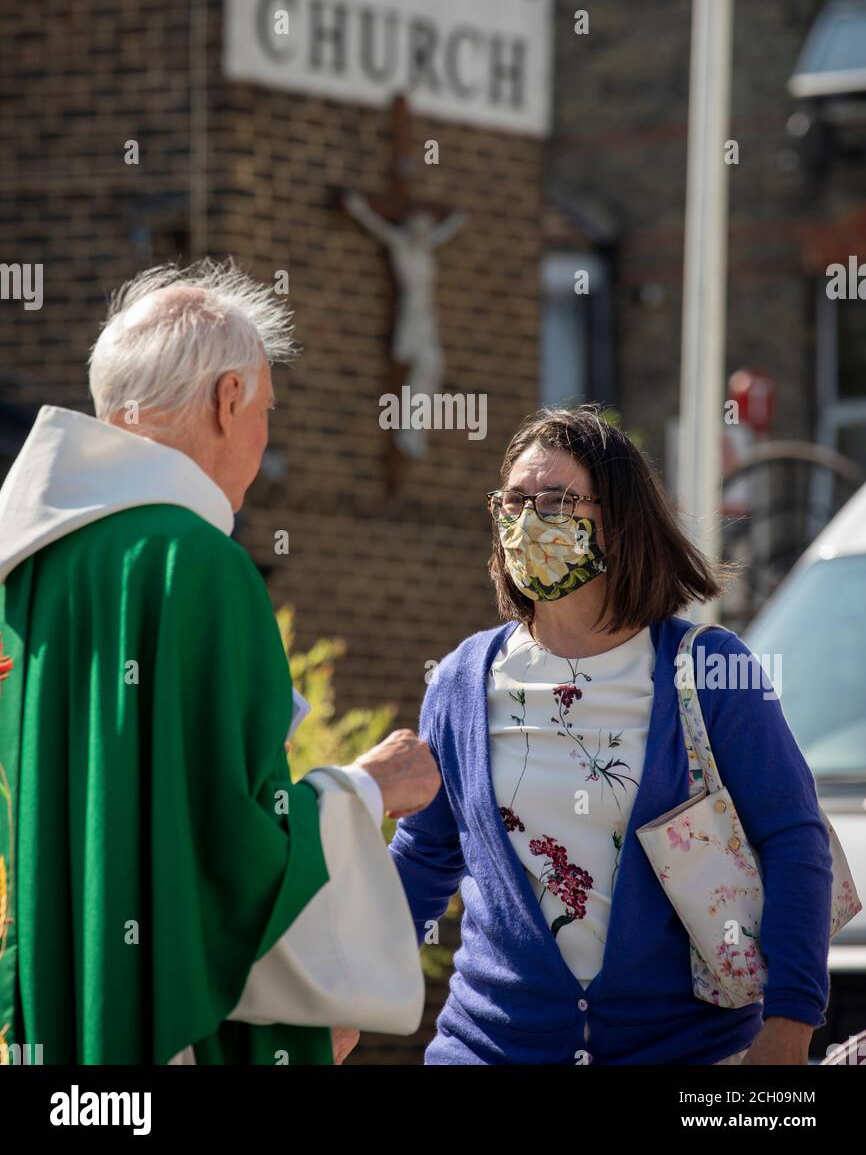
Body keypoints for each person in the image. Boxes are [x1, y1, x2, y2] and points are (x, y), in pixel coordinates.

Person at [0, 259, 439, 1065]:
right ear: (228, 401)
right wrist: (371, 787)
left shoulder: (18, 568)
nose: (264, 440)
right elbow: (228, 846)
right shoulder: (193, 564)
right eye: (267, 411)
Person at [389, 406, 833, 1065]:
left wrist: (790, 1026)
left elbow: (794, 839)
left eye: (558, 501)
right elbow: (426, 859)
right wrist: (351, 989)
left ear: (619, 521)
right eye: (513, 501)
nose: (530, 519)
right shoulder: (462, 679)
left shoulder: (712, 669)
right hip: (488, 1048)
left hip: (684, 1053)